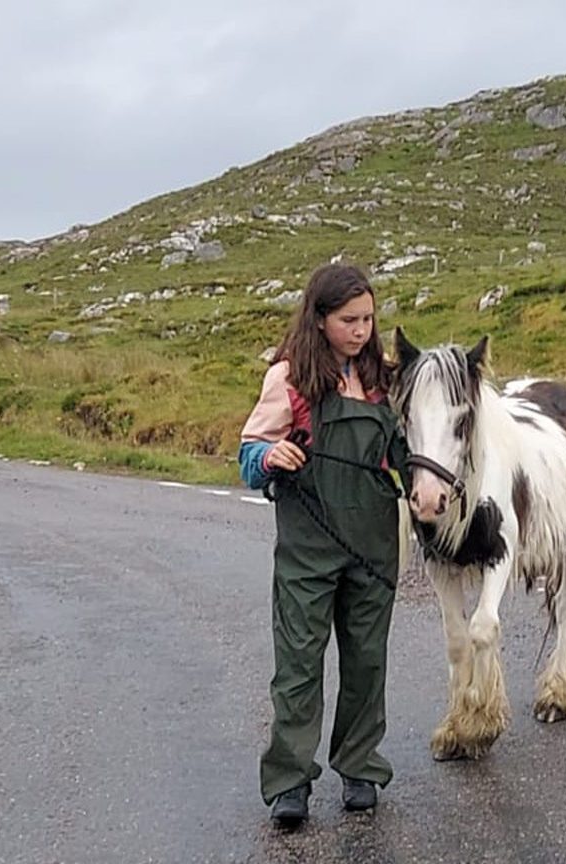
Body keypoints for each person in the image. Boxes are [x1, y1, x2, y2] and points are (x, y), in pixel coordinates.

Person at [238, 262, 409, 827]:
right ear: (318, 319)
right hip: (307, 549)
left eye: (368, 319)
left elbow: (412, 455)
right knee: (298, 665)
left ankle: (360, 767)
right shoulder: (289, 378)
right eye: (348, 320)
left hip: (373, 549)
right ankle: (289, 781)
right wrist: (269, 457)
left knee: (366, 662)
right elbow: (248, 456)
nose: (361, 331)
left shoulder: (386, 380)